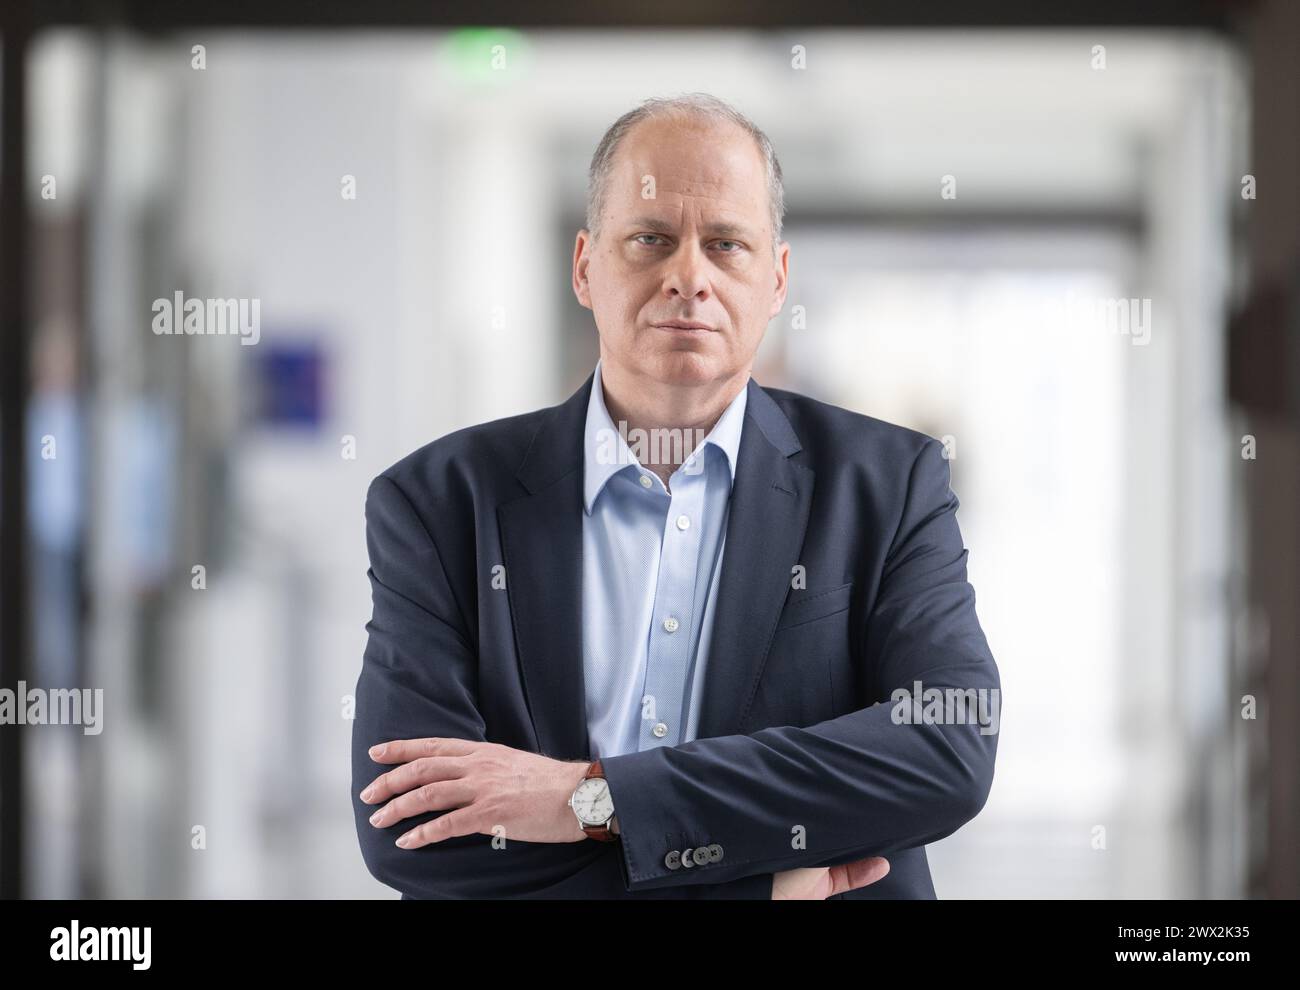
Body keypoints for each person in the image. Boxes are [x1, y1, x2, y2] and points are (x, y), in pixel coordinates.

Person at [351, 93, 999, 899]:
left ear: (776, 279)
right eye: (650, 239)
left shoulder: (887, 485)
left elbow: (946, 745)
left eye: (726, 244)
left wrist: (587, 799)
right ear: (586, 267)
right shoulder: (440, 504)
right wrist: (757, 888)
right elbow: (412, 833)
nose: (687, 276)